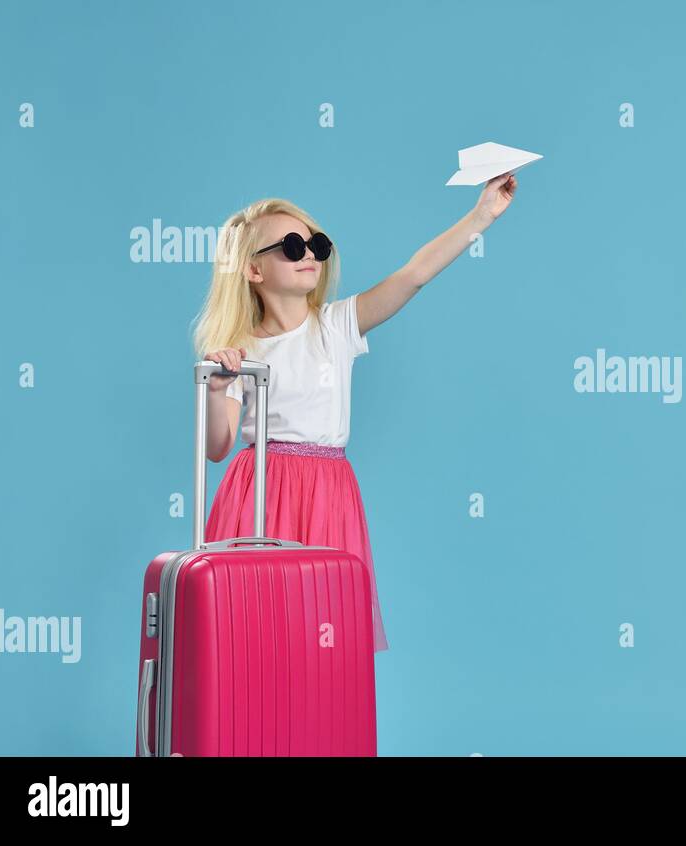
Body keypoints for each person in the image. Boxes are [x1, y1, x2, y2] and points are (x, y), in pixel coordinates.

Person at [191, 173, 519, 652]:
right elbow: (218, 449)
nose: (309, 255)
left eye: (316, 245)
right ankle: (258, 724)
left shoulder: (337, 326)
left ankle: (313, 727)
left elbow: (413, 274)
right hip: (262, 486)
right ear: (252, 270)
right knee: (258, 630)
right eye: (291, 246)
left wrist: (481, 215)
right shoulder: (241, 349)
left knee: (323, 631)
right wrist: (218, 388)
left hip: (328, 491)